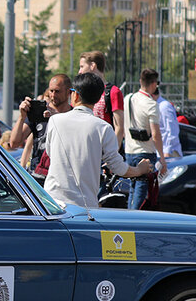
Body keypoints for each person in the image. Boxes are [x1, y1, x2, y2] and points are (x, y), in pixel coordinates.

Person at [42, 71, 153, 209]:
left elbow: (51, 153)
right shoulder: (103, 128)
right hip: (84, 206)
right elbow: (117, 167)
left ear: (75, 94)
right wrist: (139, 170)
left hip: (51, 202)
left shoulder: (55, 120)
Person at [11, 74, 73, 179]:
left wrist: (57, 118)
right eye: (51, 91)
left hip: (63, 176)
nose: (53, 95)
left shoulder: (74, 116)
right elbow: (14, 143)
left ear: (69, 93)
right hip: (38, 176)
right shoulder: (39, 113)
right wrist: (22, 117)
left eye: (57, 91)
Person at [124, 69, 168, 209]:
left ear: (140, 82)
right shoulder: (151, 104)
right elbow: (155, 134)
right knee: (141, 189)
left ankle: (129, 216)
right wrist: (162, 157)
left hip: (129, 150)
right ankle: (134, 220)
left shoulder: (128, 99)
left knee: (132, 187)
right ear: (154, 84)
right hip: (145, 152)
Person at [77, 50, 124, 144]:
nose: (80, 72)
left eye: (82, 67)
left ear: (93, 66)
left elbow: (119, 127)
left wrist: (111, 153)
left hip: (105, 148)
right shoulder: (83, 91)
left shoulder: (113, 92)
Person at [156, 89, 183, 159]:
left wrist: (168, 151)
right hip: (159, 153)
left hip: (167, 155)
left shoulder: (164, 107)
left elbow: (172, 131)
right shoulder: (155, 106)